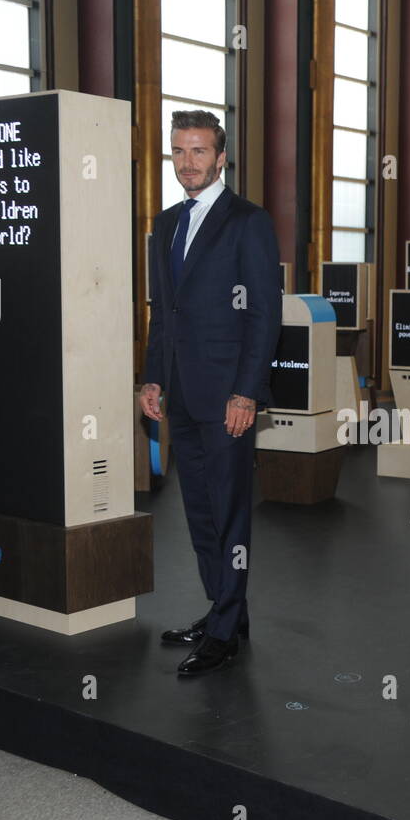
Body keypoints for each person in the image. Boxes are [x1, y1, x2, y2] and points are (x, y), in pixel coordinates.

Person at [139, 110, 282, 676]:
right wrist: (152, 377)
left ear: (221, 158)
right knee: (198, 511)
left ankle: (224, 632)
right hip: (180, 393)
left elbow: (265, 315)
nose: (187, 163)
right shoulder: (166, 221)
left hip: (227, 399)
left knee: (229, 512)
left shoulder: (248, 221)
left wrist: (246, 392)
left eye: (199, 152)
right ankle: (223, 610)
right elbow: (161, 312)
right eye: (178, 151)